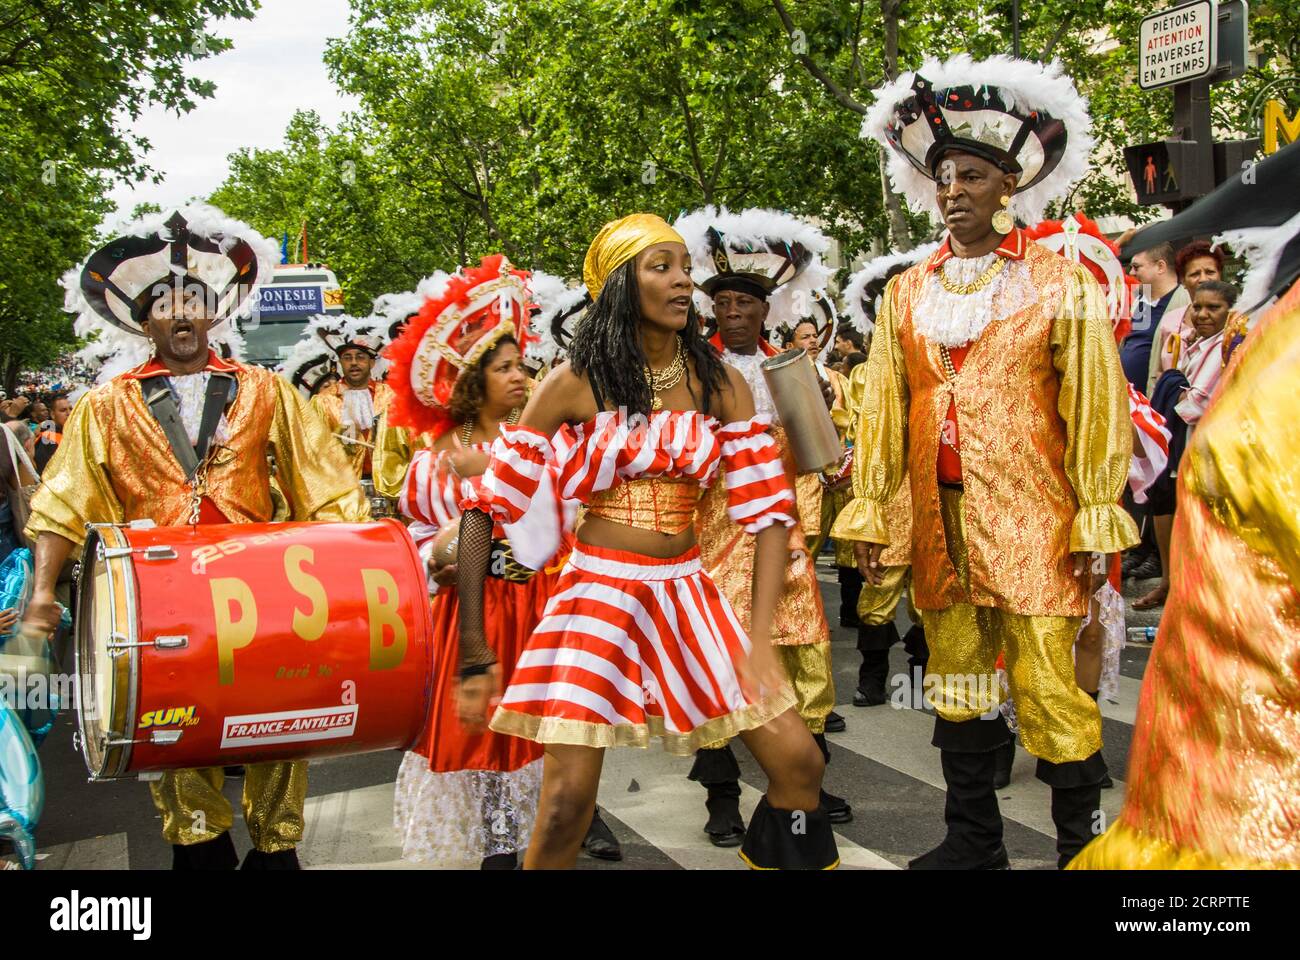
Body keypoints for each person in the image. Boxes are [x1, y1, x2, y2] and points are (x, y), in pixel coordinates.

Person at [455, 212, 838, 870]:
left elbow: (769, 513)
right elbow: (484, 508)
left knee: (800, 766)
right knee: (567, 804)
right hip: (598, 593)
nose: (684, 282)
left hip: (689, 590)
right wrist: (472, 648)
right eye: (661, 268)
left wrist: (755, 636)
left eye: (685, 267)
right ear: (619, 288)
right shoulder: (573, 383)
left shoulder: (721, 382)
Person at [845, 55, 1138, 869]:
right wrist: (873, 507)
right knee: (960, 683)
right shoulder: (906, 292)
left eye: (972, 175)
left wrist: (1095, 509)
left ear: (1008, 186)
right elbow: (882, 409)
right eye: (944, 178)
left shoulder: (1059, 282)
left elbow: (1096, 405)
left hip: (1035, 520)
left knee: (1049, 689)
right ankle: (974, 840)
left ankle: (1082, 851)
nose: (954, 191)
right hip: (942, 525)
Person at [19, 206, 368, 870]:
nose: (181, 314)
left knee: (279, 718)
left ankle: (275, 846)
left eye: (194, 302)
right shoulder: (104, 405)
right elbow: (63, 503)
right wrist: (42, 594)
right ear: (143, 321)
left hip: (265, 597)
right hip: (165, 604)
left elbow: (327, 488)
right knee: (177, 728)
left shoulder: (267, 391)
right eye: (166, 304)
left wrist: (359, 575)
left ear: (213, 316)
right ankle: (200, 843)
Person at [672, 206, 851, 845]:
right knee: (718, 663)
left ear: (763, 312)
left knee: (804, 651)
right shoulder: (690, 373)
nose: (732, 312)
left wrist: (830, 451)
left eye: (744, 303)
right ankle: (721, 797)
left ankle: (806, 778)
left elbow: (817, 459)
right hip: (710, 537)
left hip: (784, 535)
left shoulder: (791, 372)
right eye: (721, 302)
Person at [382, 255, 565, 869]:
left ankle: (541, 832)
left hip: (535, 607)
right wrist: (453, 540)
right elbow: (424, 540)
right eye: (504, 367)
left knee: (536, 734)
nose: (520, 376)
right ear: (471, 379)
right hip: (471, 611)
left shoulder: (539, 444)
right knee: (478, 733)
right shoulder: (437, 460)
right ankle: (496, 846)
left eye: (522, 365)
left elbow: (560, 523)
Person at [1134, 279, 1243, 611]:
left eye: (1214, 308)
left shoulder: (1223, 347)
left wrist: (1173, 389)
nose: (1204, 314)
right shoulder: (1197, 344)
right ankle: (1176, 588)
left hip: (1203, 450)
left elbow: (1194, 404)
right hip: (1185, 448)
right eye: (1198, 306)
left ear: (1231, 312)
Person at [307, 318, 393, 482]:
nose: (354, 362)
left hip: (387, 484)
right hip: (343, 486)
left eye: (360, 357)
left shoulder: (391, 397)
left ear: (372, 363)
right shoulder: (323, 401)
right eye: (347, 357)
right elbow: (313, 449)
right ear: (340, 363)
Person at [1148, 239, 1224, 388]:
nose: (1203, 279)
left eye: (1210, 272)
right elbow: (1156, 372)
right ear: (1182, 280)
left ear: (1220, 275)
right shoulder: (1170, 320)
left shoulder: (1235, 319)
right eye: (1195, 274)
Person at [34, 393, 71, 475]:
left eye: (70, 409)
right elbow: (46, 472)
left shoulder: (70, 433)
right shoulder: (48, 439)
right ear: (53, 414)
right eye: (63, 410)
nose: (69, 413)